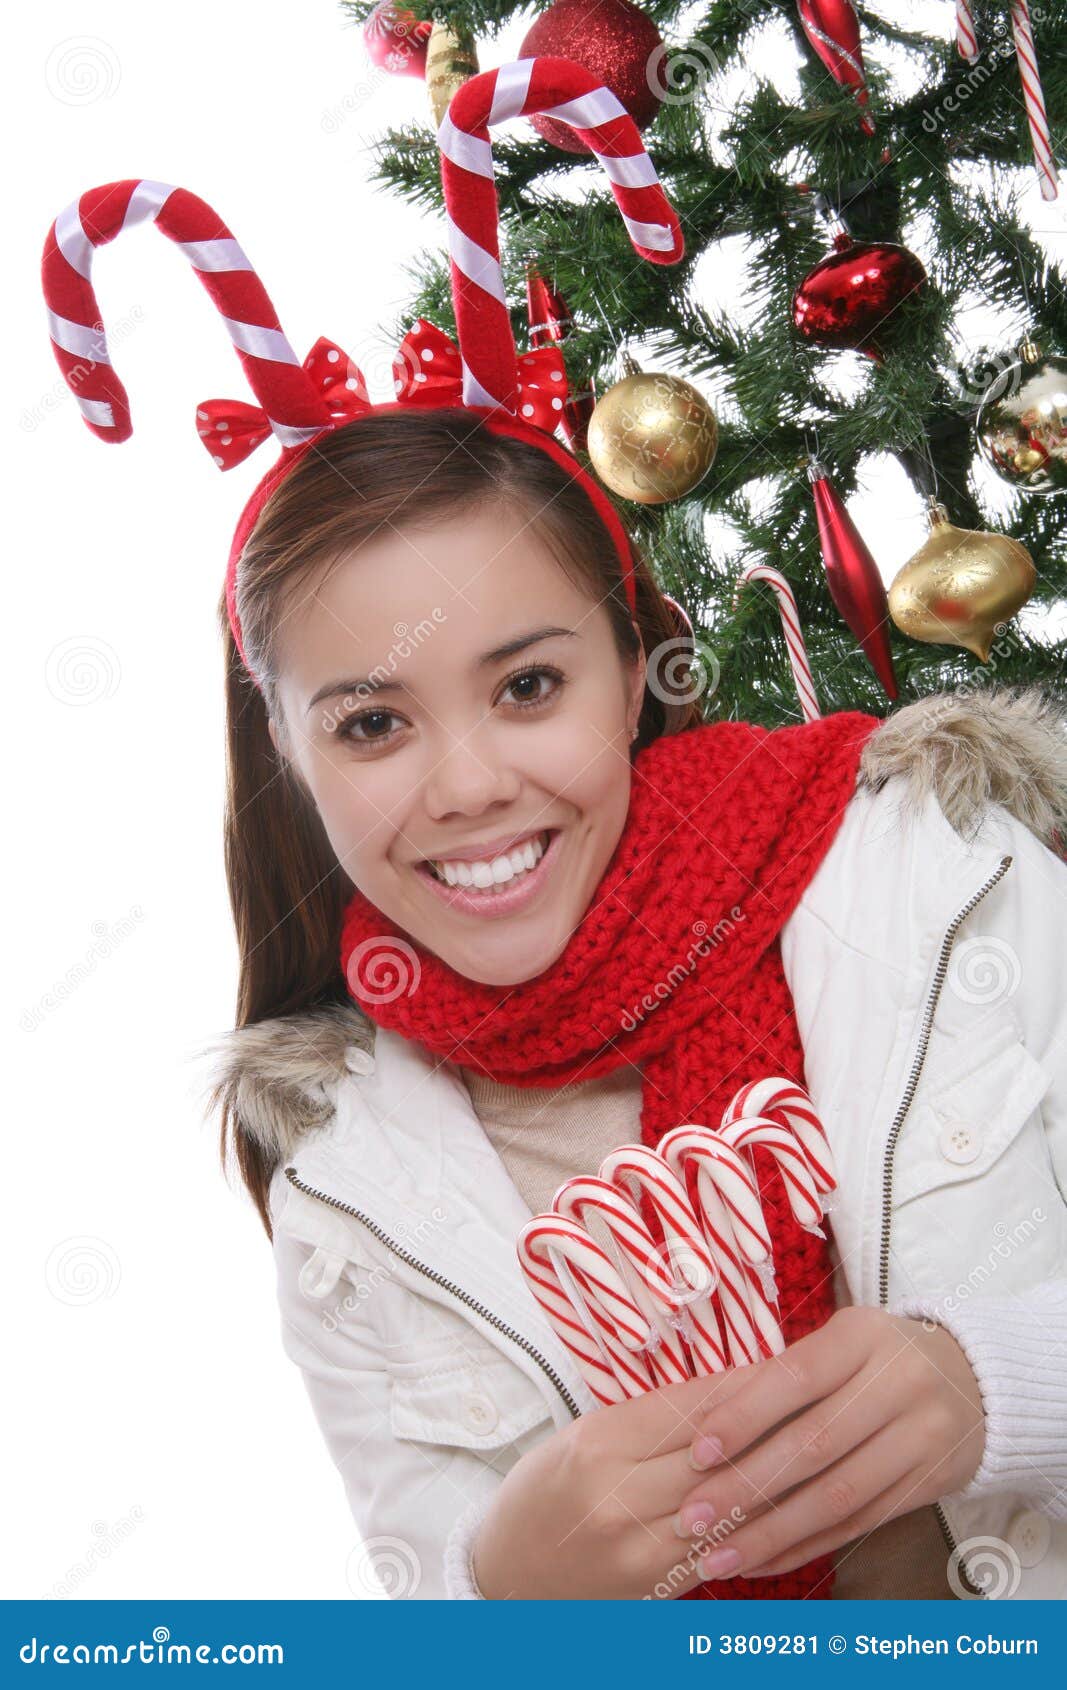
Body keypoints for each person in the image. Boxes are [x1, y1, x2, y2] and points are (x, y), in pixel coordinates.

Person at [41, 58, 1066, 1605]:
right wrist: (497, 1593)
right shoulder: (349, 1177)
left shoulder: (936, 874)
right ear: (288, 754)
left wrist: (1000, 1383)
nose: (464, 786)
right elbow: (435, 1591)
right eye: (373, 721)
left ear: (632, 662)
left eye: (526, 684)